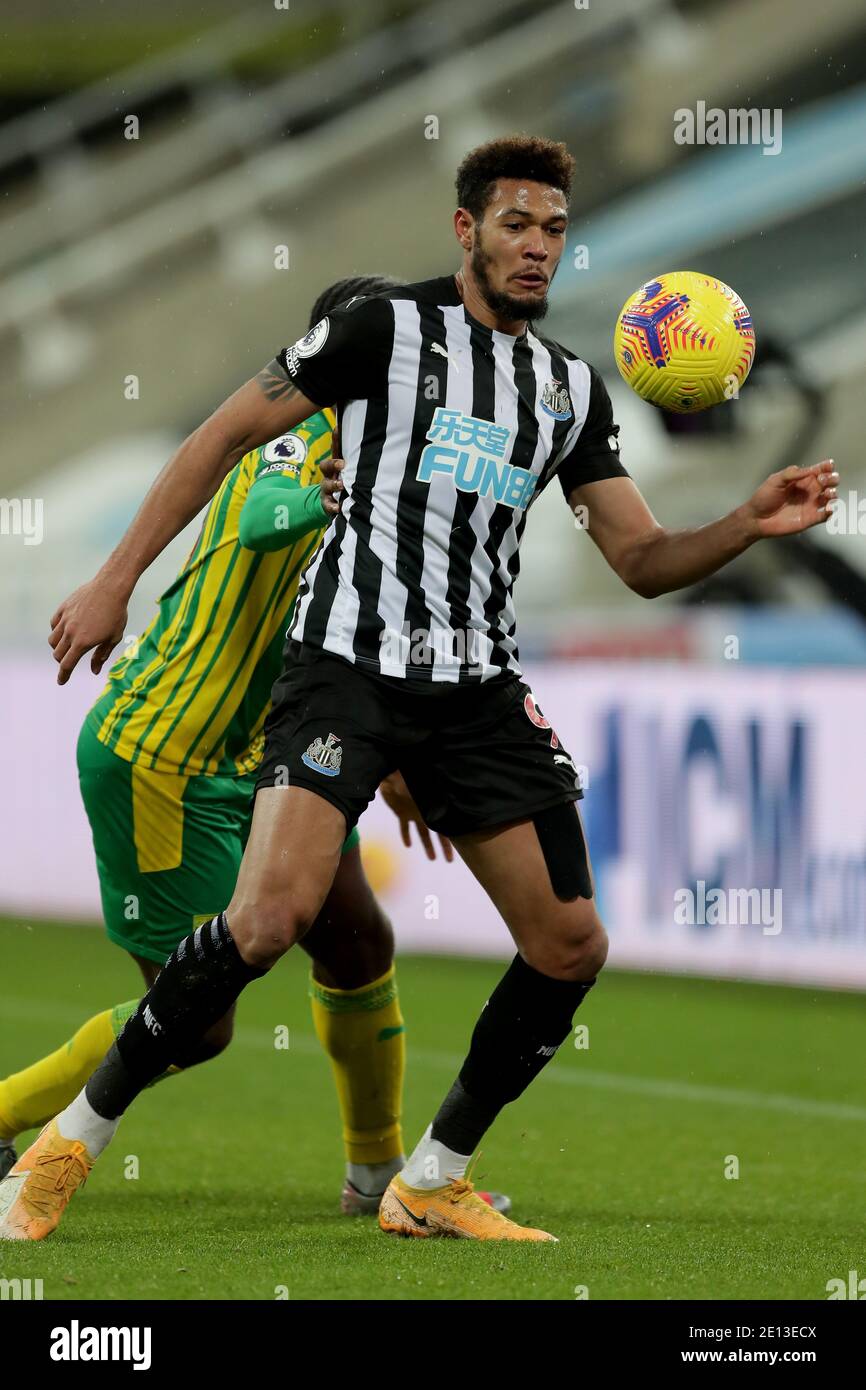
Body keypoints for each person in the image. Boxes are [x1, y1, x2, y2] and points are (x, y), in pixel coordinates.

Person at [1, 134, 838, 1244]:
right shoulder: (379, 329)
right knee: (267, 919)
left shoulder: (566, 390)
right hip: (345, 667)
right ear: (466, 231)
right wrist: (114, 579)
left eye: (551, 229)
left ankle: (428, 1175)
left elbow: (637, 560)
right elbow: (221, 436)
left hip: (474, 692)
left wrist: (743, 519)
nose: (536, 247)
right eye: (514, 225)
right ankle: (65, 1144)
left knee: (569, 944)